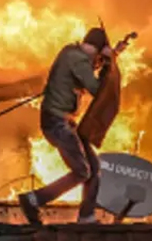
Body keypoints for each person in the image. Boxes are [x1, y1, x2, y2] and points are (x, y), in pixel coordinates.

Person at [17, 27, 115, 225]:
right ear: (96, 49)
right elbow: (98, 89)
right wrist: (109, 63)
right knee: (82, 171)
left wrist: (106, 60)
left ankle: (87, 217)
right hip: (57, 122)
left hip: (64, 122)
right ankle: (33, 200)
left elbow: (86, 73)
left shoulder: (72, 53)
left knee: (94, 168)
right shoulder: (78, 60)